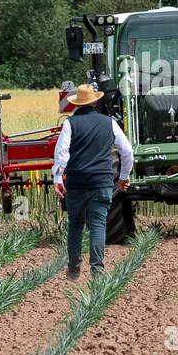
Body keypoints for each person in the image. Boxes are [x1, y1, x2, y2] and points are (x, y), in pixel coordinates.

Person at [52, 84, 133, 279]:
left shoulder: (70, 124)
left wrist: (57, 177)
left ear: (77, 104)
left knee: (76, 225)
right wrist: (123, 177)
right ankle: (97, 269)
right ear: (95, 101)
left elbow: (61, 153)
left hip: (77, 182)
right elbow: (127, 151)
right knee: (97, 225)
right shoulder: (109, 122)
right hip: (102, 182)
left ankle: (73, 270)